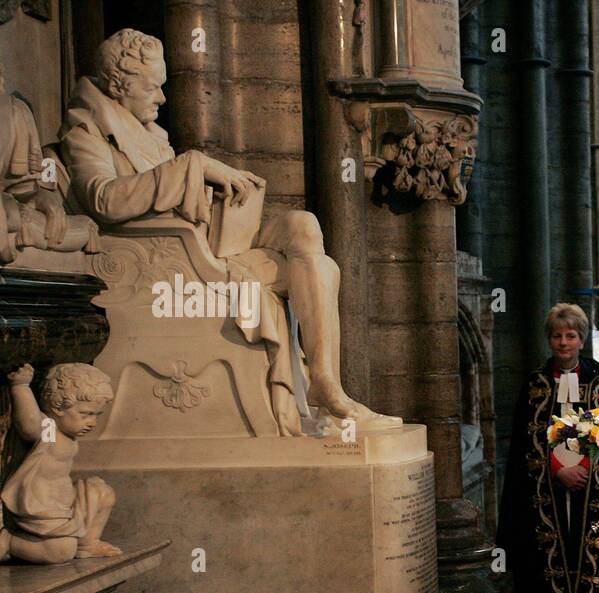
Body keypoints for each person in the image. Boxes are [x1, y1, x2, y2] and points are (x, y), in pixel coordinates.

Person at [58, 29, 396, 431]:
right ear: (119, 85)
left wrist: (218, 195)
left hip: (197, 249)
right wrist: (192, 166)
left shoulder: (151, 135)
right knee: (322, 272)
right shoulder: (87, 128)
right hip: (159, 269)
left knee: (305, 229)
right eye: (153, 87)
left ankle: (324, 381)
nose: (163, 98)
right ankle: (324, 385)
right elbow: (104, 200)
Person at [496, 303, 599, 593]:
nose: (563, 342)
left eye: (571, 335)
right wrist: (557, 471)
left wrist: (585, 468)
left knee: (590, 555)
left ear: (582, 339)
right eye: (557, 336)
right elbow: (528, 442)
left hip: (592, 488)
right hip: (548, 491)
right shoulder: (535, 384)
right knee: (550, 558)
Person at [0, 363, 120, 563]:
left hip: (62, 502)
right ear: (57, 407)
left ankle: (86, 545)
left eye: (96, 415)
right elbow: (29, 425)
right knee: (59, 552)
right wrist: (20, 386)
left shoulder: (66, 434)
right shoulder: (49, 430)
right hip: (40, 507)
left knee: (103, 493)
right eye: (86, 414)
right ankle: (9, 541)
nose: (93, 422)